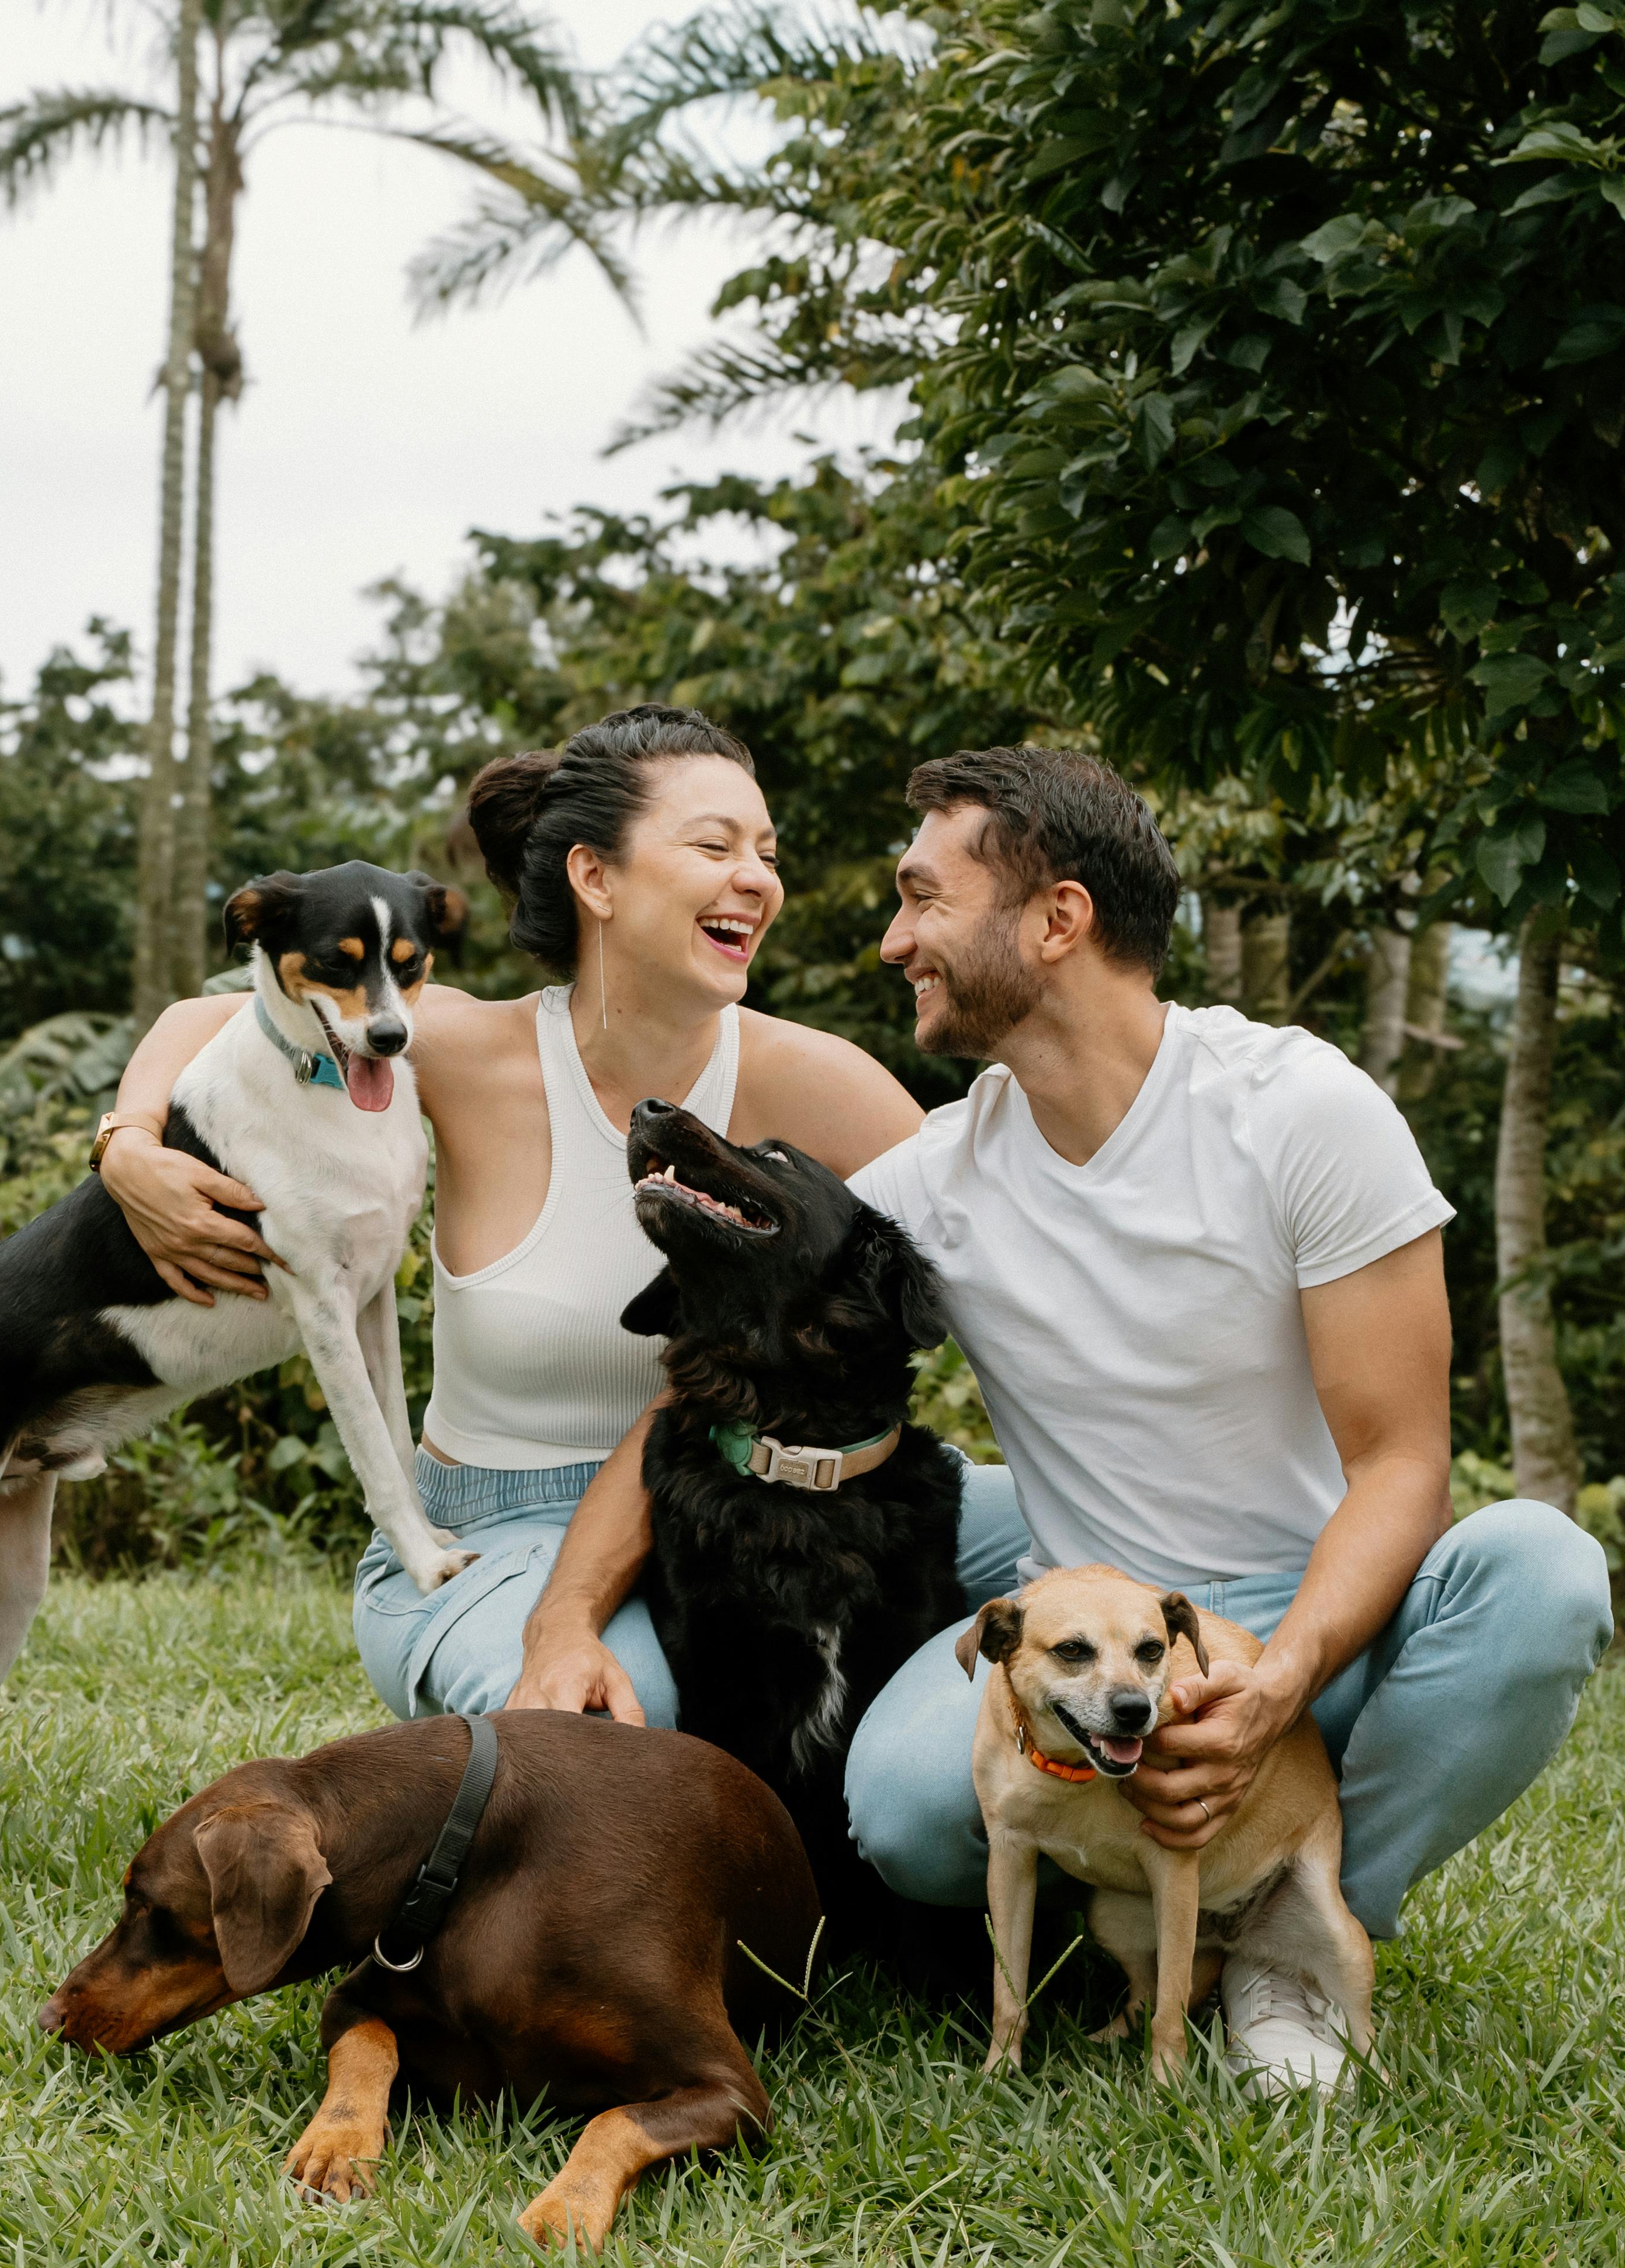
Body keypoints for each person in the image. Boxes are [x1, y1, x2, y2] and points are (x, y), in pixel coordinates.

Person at [510, 747, 1614, 2092]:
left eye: (923, 898)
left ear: (1057, 919)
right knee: (903, 1808)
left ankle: (1285, 1927)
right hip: (1088, 1624)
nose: (893, 939)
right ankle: (1140, 1903)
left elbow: (1403, 1464)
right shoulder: (940, 1179)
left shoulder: (1300, 1110)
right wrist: (563, 1622)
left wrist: (1272, 1690)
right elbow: (702, 1395)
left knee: (1545, 1573)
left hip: (1313, 1613)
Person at [95, 703, 1027, 1718]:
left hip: (754, 1509)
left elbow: (998, 1258)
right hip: (502, 1534)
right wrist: (129, 1143)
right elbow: (205, 1019)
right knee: (617, 1735)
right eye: (714, 846)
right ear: (595, 879)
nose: (758, 879)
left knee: (1109, 1542)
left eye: (767, 853)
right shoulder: (462, 1052)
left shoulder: (818, 1080)